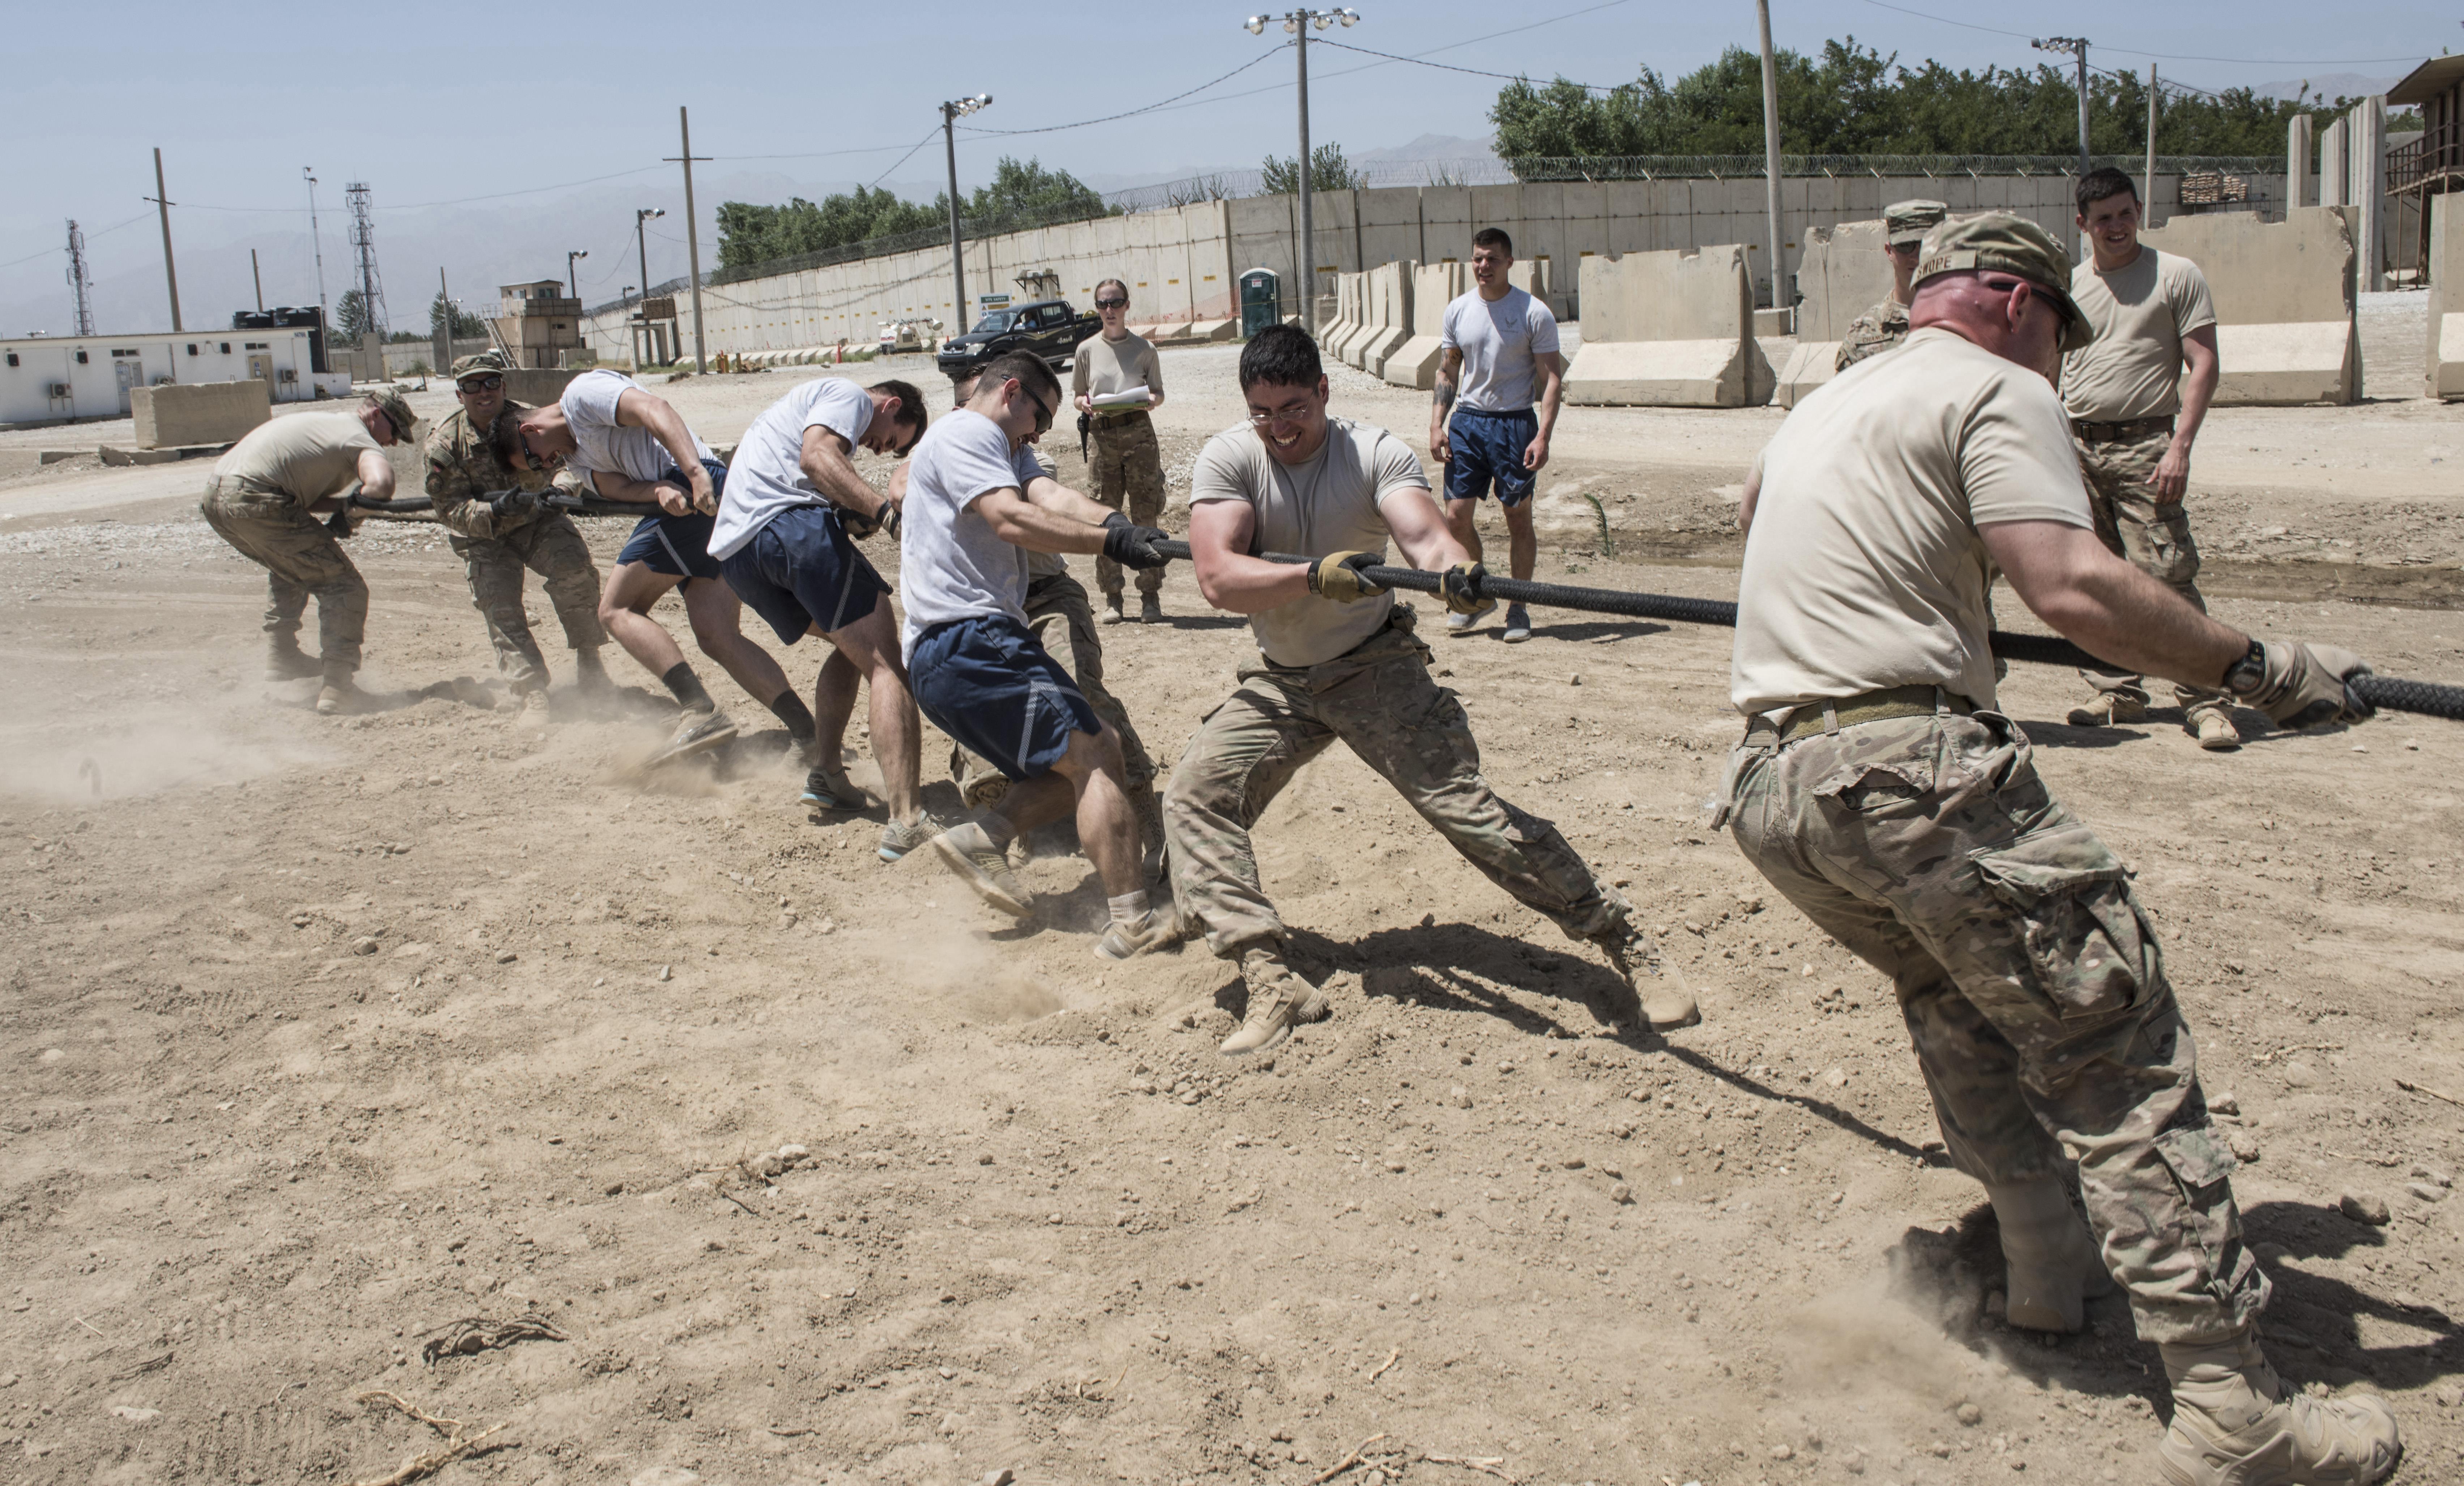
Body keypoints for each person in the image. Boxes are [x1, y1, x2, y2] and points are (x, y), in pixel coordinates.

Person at [1727, 212, 2394, 1486]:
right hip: (1900, 767)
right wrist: (2256, 669)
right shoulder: (1990, 386)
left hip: (1775, 784)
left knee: (1961, 996)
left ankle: (2042, 1272)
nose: (2057, 367)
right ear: (2007, 298)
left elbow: (1802, 532)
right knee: (2111, 1038)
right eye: (2054, 335)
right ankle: (2230, 1417)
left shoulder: (1828, 398)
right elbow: (2072, 588)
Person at [1174, 326, 1695, 1056]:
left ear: (1323, 392)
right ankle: (1268, 975)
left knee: (1473, 819)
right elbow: (1216, 577)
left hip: (1371, 668)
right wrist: (1311, 573)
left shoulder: (1371, 452)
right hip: (1280, 680)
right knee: (1195, 798)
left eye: (1292, 407)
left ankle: (1620, 937)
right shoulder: (1231, 456)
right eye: (1261, 412)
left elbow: (1423, 539)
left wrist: (1456, 574)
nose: (1278, 427)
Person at [899, 350, 1178, 958]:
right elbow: (1012, 520)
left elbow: (1049, 494)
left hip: (942, 657)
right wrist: (1110, 543)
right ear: (1012, 393)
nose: (1039, 434)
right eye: (1041, 418)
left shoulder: (1001, 447)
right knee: (1101, 749)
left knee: (1065, 770)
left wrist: (1122, 525)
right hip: (972, 637)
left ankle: (986, 835)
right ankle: (1133, 923)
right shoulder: (969, 432)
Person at [516, 369, 800, 767]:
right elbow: (616, 488)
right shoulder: (576, 459)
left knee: (616, 610)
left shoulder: (580, 397)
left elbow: (654, 408)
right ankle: (809, 734)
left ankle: (699, 710)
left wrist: (693, 472)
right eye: (538, 468)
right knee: (717, 635)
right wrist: (657, 490)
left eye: (534, 457)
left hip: (696, 482)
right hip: (677, 495)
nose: (545, 464)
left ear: (529, 428)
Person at [708, 373, 933, 860]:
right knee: (885, 662)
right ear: (890, 404)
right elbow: (816, 459)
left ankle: (827, 774)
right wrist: (884, 512)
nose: (877, 450)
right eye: (891, 438)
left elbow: (808, 468)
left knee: (853, 646)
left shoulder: (797, 409)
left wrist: (847, 510)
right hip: (785, 530)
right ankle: (906, 817)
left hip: (738, 557)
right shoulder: (848, 396)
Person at [2058, 167, 2235, 749]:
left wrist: (2179, 446)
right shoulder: (2068, 285)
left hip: (2145, 448)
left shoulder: (2174, 276)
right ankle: (2116, 689)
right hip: (2077, 445)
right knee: (2096, 575)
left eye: (2125, 213)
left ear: (2140, 210)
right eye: (2102, 217)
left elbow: (2202, 362)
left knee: (2164, 573)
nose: (2116, 227)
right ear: (2082, 223)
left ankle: (2205, 698)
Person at [200, 389, 415, 716]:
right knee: (345, 587)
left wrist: (344, 508)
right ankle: (338, 688)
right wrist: (355, 512)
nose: (395, 443)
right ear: (376, 415)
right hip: (259, 500)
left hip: (218, 500)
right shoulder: (357, 438)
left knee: (295, 566)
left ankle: (282, 653)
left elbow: (300, 496)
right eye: (396, 431)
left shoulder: (324, 426)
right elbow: (382, 486)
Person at [423, 350, 608, 723]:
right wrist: (492, 512)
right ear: (459, 395)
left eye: (491, 382)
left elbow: (570, 461)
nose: (484, 392)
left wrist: (562, 488)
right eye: (472, 386)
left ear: (503, 385)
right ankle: (531, 692)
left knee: (575, 572)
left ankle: (590, 660)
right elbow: (450, 510)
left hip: (537, 521)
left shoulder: (531, 421)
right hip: (484, 536)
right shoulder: (445, 446)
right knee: (501, 606)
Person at [1430, 226, 1562, 643]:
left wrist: (1542, 436)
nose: (1483, 266)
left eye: (1491, 259)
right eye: (1477, 259)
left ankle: (1518, 606)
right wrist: (1436, 423)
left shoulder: (1532, 312)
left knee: (1516, 517)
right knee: (1455, 516)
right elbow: (1449, 370)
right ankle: (1477, 593)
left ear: (1508, 262)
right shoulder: (1458, 310)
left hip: (1513, 424)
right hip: (1467, 423)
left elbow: (1551, 379)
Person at [1070, 278, 1170, 624]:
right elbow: (1078, 396)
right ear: (1096, 308)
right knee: (1104, 518)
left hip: (1139, 434)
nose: (1109, 310)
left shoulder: (1144, 350)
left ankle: (1150, 597)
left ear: (1127, 306)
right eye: (1103, 304)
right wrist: (1086, 404)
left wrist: (1149, 400)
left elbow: (1158, 393)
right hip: (1102, 437)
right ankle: (1113, 597)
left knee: (1145, 514)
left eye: (1116, 303)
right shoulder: (1085, 350)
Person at [1833, 197, 1947, 371]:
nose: (1916, 256)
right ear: (1890, 251)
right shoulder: (1864, 334)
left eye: (1926, 245)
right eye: (1905, 245)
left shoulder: (1964, 324)